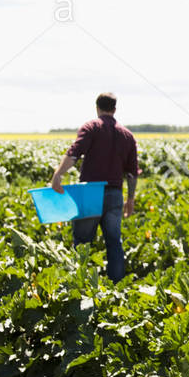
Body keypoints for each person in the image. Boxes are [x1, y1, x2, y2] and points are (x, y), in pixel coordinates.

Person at [50, 92, 139, 282]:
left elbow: (74, 154)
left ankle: (78, 286)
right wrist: (130, 199)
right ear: (114, 109)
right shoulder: (127, 136)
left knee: (82, 244)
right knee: (114, 243)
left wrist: (58, 175)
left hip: (90, 193)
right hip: (115, 194)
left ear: (97, 107)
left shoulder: (91, 127)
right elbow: (132, 173)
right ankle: (117, 290)